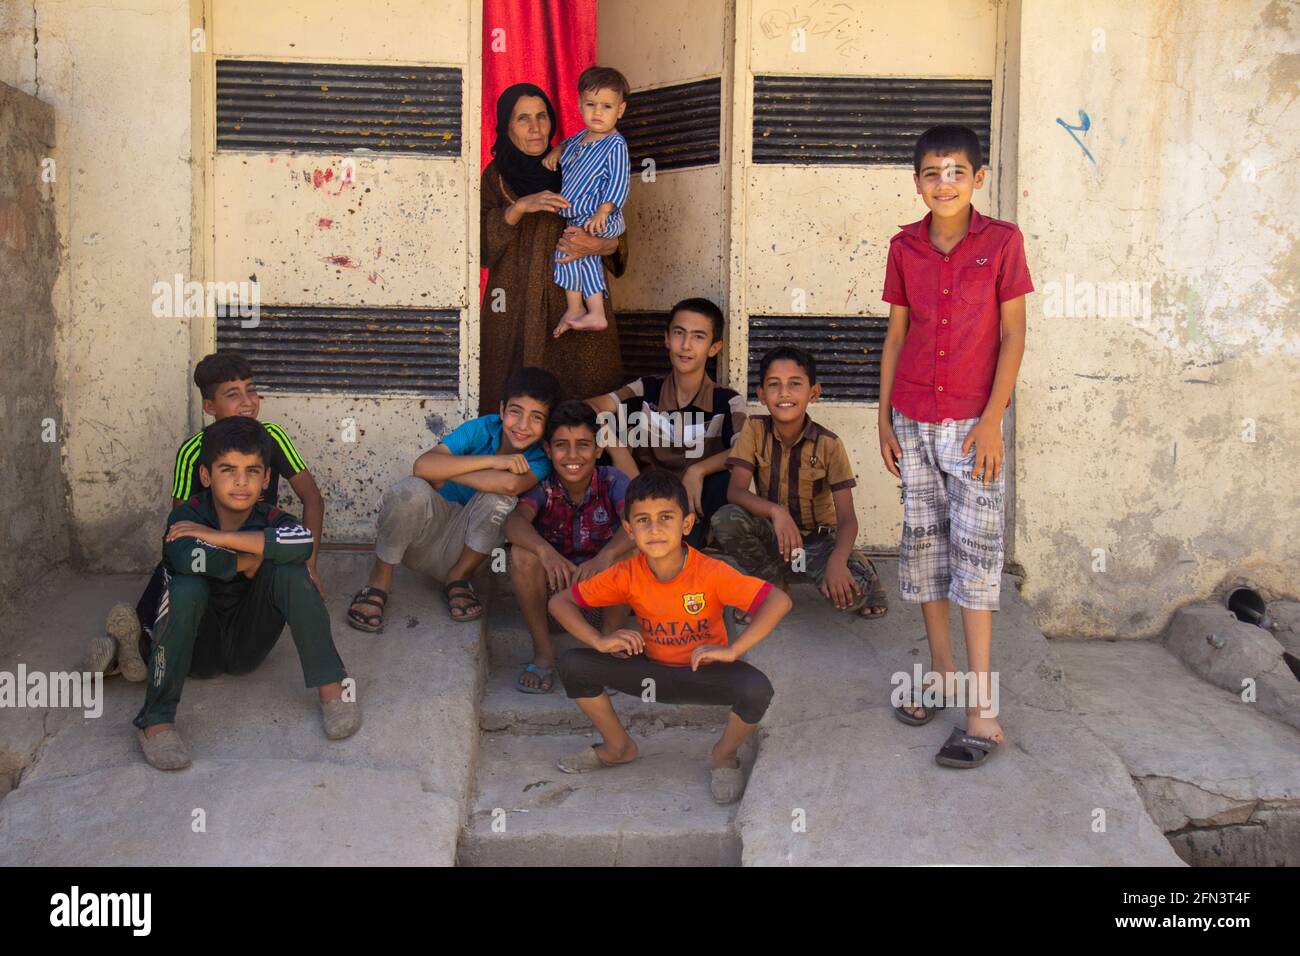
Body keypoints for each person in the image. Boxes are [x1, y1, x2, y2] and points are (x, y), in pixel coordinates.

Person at [877, 124, 1033, 769]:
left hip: (974, 428)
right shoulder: (904, 245)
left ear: (978, 178)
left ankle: (982, 713)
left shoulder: (1001, 243)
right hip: (912, 418)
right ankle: (940, 672)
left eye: (956, 171)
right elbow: (896, 334)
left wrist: (994, 418)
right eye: (932, 173)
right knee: (924, 551)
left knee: (976, 561)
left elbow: (1014, 337)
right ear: (917, 181)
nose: (944, 183)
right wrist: (883, 418)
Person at [548, 469, 792, 805]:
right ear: (630, 530)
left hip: (703, 672)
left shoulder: (711, 572)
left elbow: (779, 601)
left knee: (756, 689)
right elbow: (559, 602)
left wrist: (735, 649)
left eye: (666, 517)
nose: (655, 529)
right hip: (652, 671)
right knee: (573, 663)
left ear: (687, 524)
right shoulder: (625, 573)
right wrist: (599, 641)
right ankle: (618, 747)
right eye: (643, 520)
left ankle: (723, 756)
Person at [133, 416, 358, 771]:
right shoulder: (188, 515)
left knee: (291, 571)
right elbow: (184, 556)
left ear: (266, 478)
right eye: (228, 470)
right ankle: (156, 721)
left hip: (246, 649)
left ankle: (333, 693)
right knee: (187, 584)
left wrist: (220, 540)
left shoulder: (271, 516)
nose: (241, 481)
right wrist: (252, 558)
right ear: (206, 476)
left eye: (253, 471)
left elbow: (301, 543)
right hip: (195, 651)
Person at [88, 351, 324, 683]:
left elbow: (312, 498)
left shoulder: (272, 437)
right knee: (174, 565)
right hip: (209, 549)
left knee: (276, 565)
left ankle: (135, 646)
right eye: (233, 394)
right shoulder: (192, 450)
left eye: (251, 390)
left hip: (254, 545)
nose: (248, 402)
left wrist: (310, 565)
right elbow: (180, 526)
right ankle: (131, 644)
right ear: (210, 407)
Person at [347, 367, 559, 630]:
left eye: (536, 417)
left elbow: (509, 484)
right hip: (422, 538)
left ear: (546, 424)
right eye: (516, 411)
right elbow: (422, 466)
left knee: (502, 501)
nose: (523, 425)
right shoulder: (482, 427)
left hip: (470, 549)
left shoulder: (540, 457)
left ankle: (458, 579)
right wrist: (496, 460)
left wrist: (448, 471)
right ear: (502, 410)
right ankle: (379, 580)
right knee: (411, 489)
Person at [479, 82, 627, 415]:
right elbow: (480, 250)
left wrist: (599, 243)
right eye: (522, 119)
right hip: (513, 311)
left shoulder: (580, 160)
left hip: (577, 307)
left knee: (584, 412)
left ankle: (590, 469)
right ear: (506, 125)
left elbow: (618, 231)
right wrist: (518, 208)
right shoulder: (495, 177)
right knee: (514, 410)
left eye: (542, 116)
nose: (535, 128)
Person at [712, 345, 888, 623]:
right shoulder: (755, 430)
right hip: (775, 541)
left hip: (817, 546)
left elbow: (847, 519)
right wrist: (776, 512)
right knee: (725, 519)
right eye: (774, 385)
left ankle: (865, 573)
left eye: (795, 384)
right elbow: (735, 491)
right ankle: (772, 586)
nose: (784, 393)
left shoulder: (829, 444)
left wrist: (837, 562)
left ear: (813, 393)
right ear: (761, 394)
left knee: (849, 596)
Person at [586, 297, 744, 550]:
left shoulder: (726, 401)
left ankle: (708, 545)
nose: (686, 345)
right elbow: (589, 408)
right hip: (643, 501)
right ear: (667, 339)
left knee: (726, 477)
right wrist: (618, 450)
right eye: (679, 333)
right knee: (598, 449)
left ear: (714, 348)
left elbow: (746, 449)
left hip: (691, 507)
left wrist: (698, 470)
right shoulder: (645, 389)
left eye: (698, 337)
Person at [503, 400, 635, 693]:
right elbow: (513, 523)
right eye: (562, 445)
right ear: (548, 450)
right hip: (554, 602)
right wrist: (544, 552)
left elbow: (637, 525)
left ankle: (609, 648)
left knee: (630, 551)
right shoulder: (542, 486)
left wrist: (605, 557)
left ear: (599, 448)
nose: (572, 455)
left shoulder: (613, 480)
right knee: (522, 553)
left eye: (583, 444)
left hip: (603, 601)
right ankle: (543, 653)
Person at [543, 66, 631, 337]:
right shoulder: (581, 138)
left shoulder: (615, 145)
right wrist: (557, 150)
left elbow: (619, 181)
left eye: (606, 106)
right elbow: (567, 144)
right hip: (578, 215)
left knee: (584, 254)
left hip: (600, 215)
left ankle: (595, 312)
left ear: (620, 109)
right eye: (591, 104)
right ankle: (576, 308)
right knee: (568, 255)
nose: (598, 112)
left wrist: (603, 212)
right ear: (579, 106)